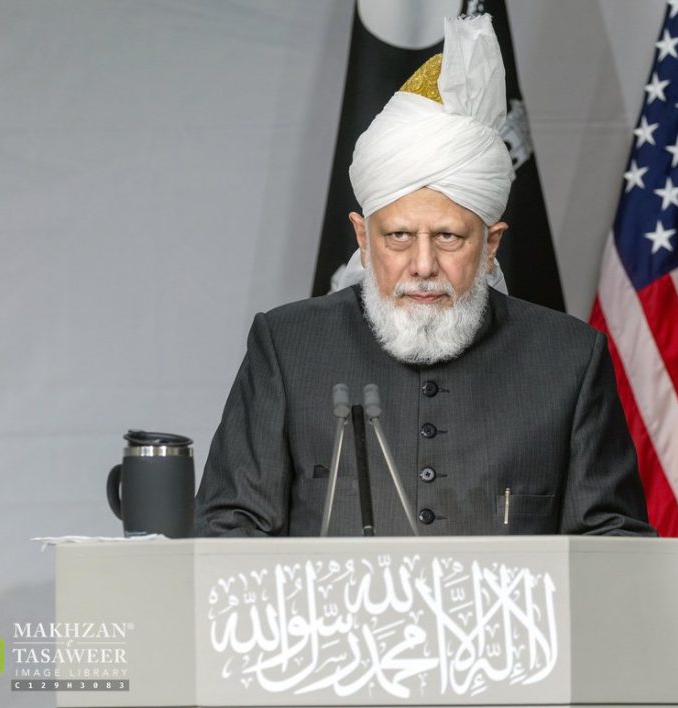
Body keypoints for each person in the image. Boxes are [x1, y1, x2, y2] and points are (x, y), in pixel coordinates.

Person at [194, 15, 654, 538]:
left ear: (491, 244)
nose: (422, 265)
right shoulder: (286, 347)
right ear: (363, 240)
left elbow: (613, 547)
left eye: (449, 237)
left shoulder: (570, 359)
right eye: (397, 238)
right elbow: (229, 530)